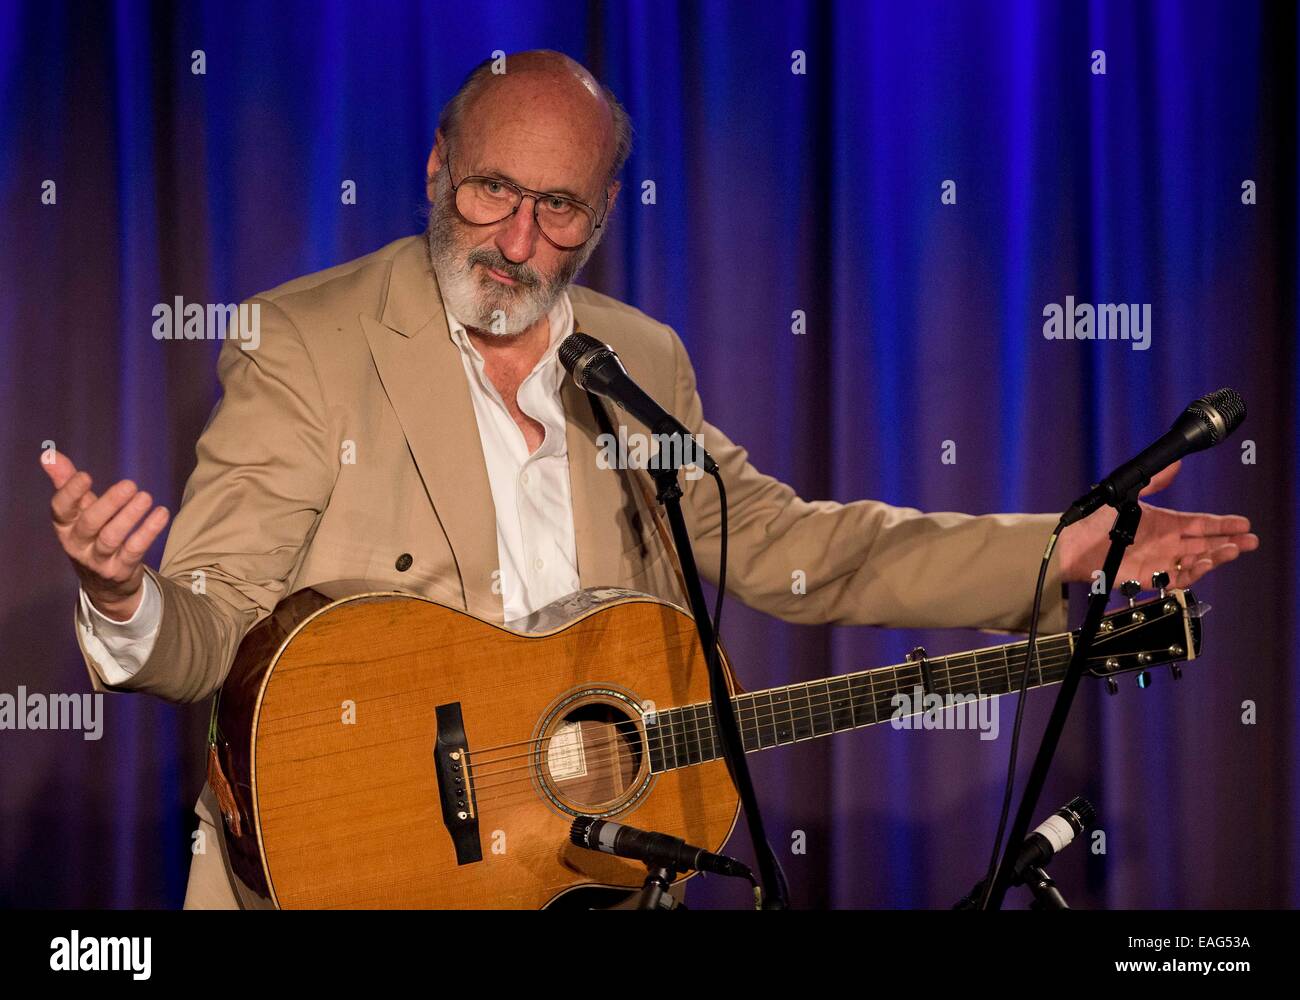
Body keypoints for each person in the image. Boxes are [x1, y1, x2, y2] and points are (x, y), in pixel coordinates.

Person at [42, 50, 1258, 908]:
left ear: (605, 211)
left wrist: (1059, 552)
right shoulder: (306, 339)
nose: (517, 242)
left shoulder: (635, 363)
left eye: (558, 209)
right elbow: (213, 631)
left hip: (580, 881)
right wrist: (122, 598)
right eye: (490, 192)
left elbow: (784, 541)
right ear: (433, 167)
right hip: (353, 882)